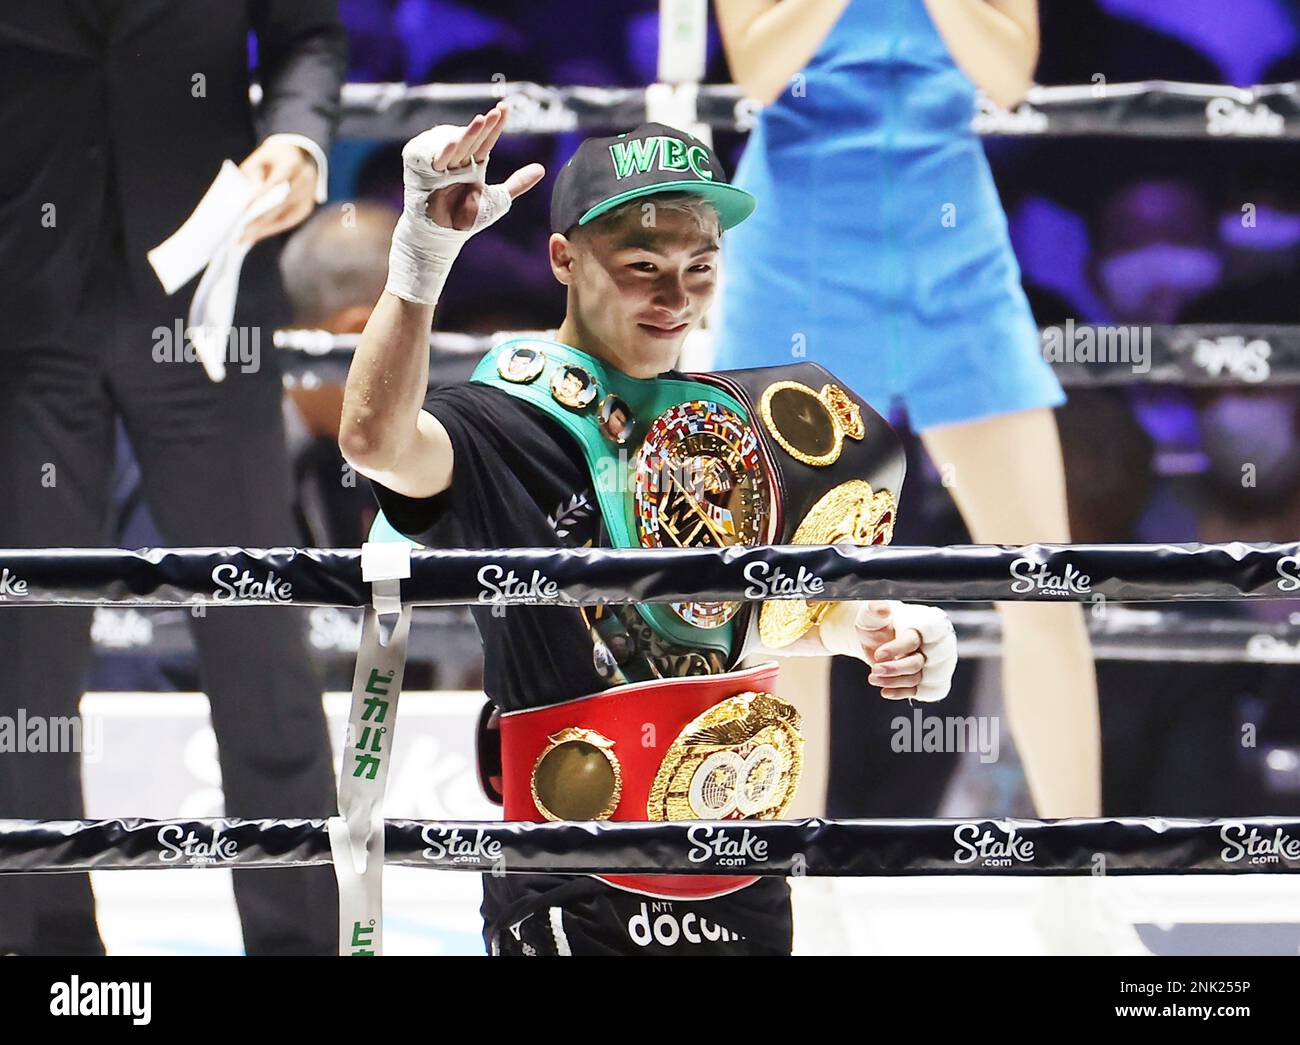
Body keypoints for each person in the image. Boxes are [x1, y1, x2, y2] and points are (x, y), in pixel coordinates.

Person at [339, 105, 960, 956]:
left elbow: (771, 611)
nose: (677, 298)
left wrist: (879, 629)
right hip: (574, 867)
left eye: (699, 266)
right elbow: (375, 440)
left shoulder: (741, 421)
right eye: (642, 266)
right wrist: (419, 262)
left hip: (739, 861)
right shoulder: (502, 423)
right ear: (564, 258)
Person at [0, 1, 345, 955]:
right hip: (25, 299)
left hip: (208, 284)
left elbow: (307, 35)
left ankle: (299, 945)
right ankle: (45, 950)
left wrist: (296, 142)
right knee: (23, 653)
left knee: (256, 637)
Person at [713, 0, 1099, 819]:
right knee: (787, 599)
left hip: (951, 252)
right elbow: (757, 71)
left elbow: (1009, 79)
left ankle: (1079, 878)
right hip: (797, 259)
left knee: (1041, 581)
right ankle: (791, 890)